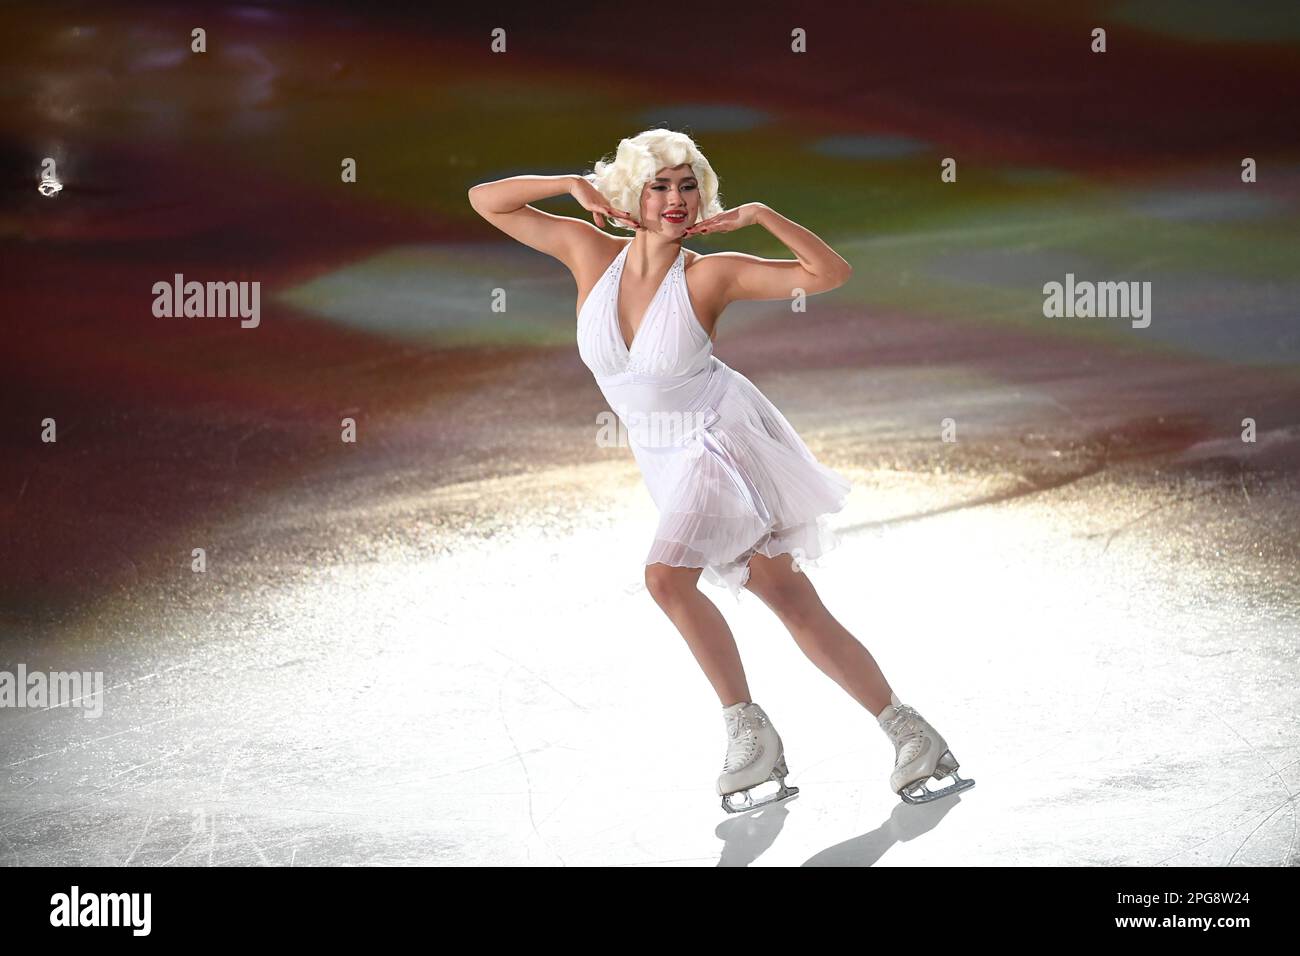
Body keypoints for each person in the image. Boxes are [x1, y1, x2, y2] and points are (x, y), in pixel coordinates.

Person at [468, 128, 973, 812]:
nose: (676, 200)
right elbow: (487, 200)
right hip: (664, 459)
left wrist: (764, 216)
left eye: (687, 185)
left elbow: (829, 275)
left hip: (719, 442)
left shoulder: (710, 274)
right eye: (659, 185)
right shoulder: (589, 253)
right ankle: (910, 731)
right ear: (630, 194)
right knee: (792, 603)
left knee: (664, 577)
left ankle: (747, 730)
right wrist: (569, 185)